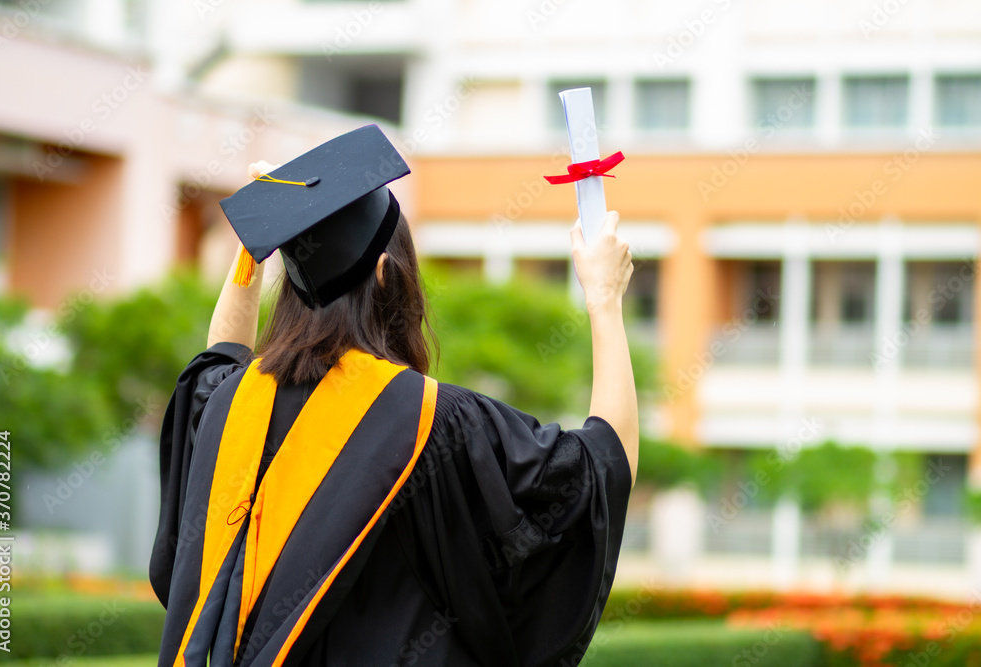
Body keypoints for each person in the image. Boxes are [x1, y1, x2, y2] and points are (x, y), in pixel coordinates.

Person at [150, 125, 638, 667]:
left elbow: (219, 355)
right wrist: (604, 298)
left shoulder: (227, 407)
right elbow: (603, 464)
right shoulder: (435, 422)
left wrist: (261, 238)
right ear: (387, 275)